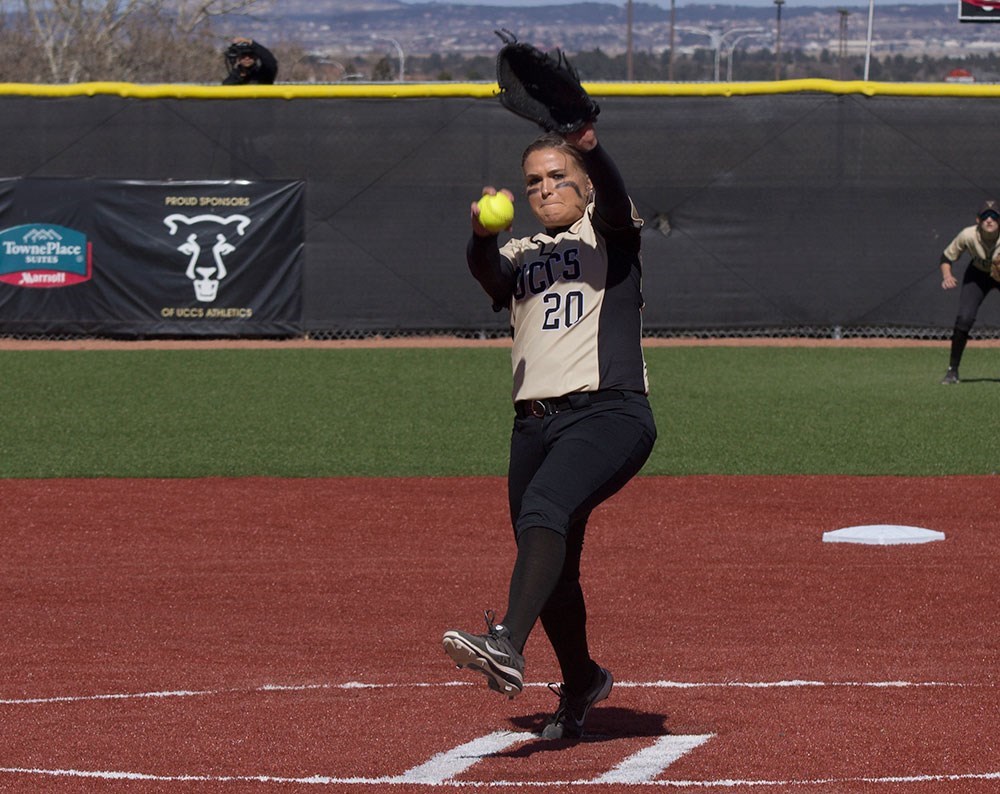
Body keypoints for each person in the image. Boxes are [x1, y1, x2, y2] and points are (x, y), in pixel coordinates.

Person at [441, 122, 657, 740]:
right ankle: (583, 677)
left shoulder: (608, 233)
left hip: (609, 413)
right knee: (552, 563)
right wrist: (482, 234)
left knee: (544, 507)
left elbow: (616, 200)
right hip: (532, 428)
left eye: (559, 177)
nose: (544, 188)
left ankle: (506, 642)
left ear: (586, 188)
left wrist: (591, 148)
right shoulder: (521, 253)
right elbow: (486, 271)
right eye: (533, 181)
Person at [938, 198, 1000, 384]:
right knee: (964, 319)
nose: (989, 220)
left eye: (994, 216)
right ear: (978, 220)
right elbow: (945, 257)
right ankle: (952, 371)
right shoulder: (968, 235)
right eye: (985, 216)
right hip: (978, 275)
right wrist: (947, 276)